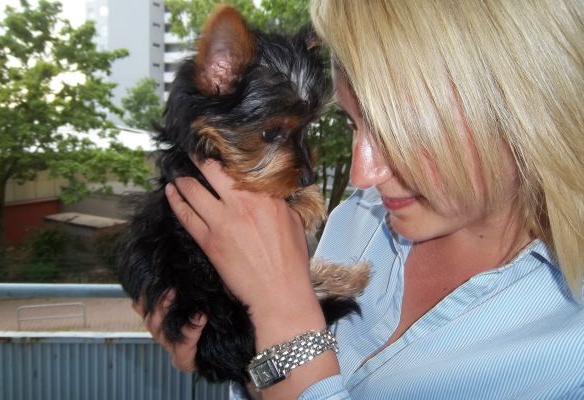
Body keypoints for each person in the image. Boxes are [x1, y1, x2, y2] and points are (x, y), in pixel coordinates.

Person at [136, 0, 584, 398]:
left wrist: (281, 311)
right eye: (354, 124)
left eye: (401, 131)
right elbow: (269, 379)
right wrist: (241, 362)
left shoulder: (569, 350)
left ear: (528, 111)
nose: (361, 175)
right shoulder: (358, 219)